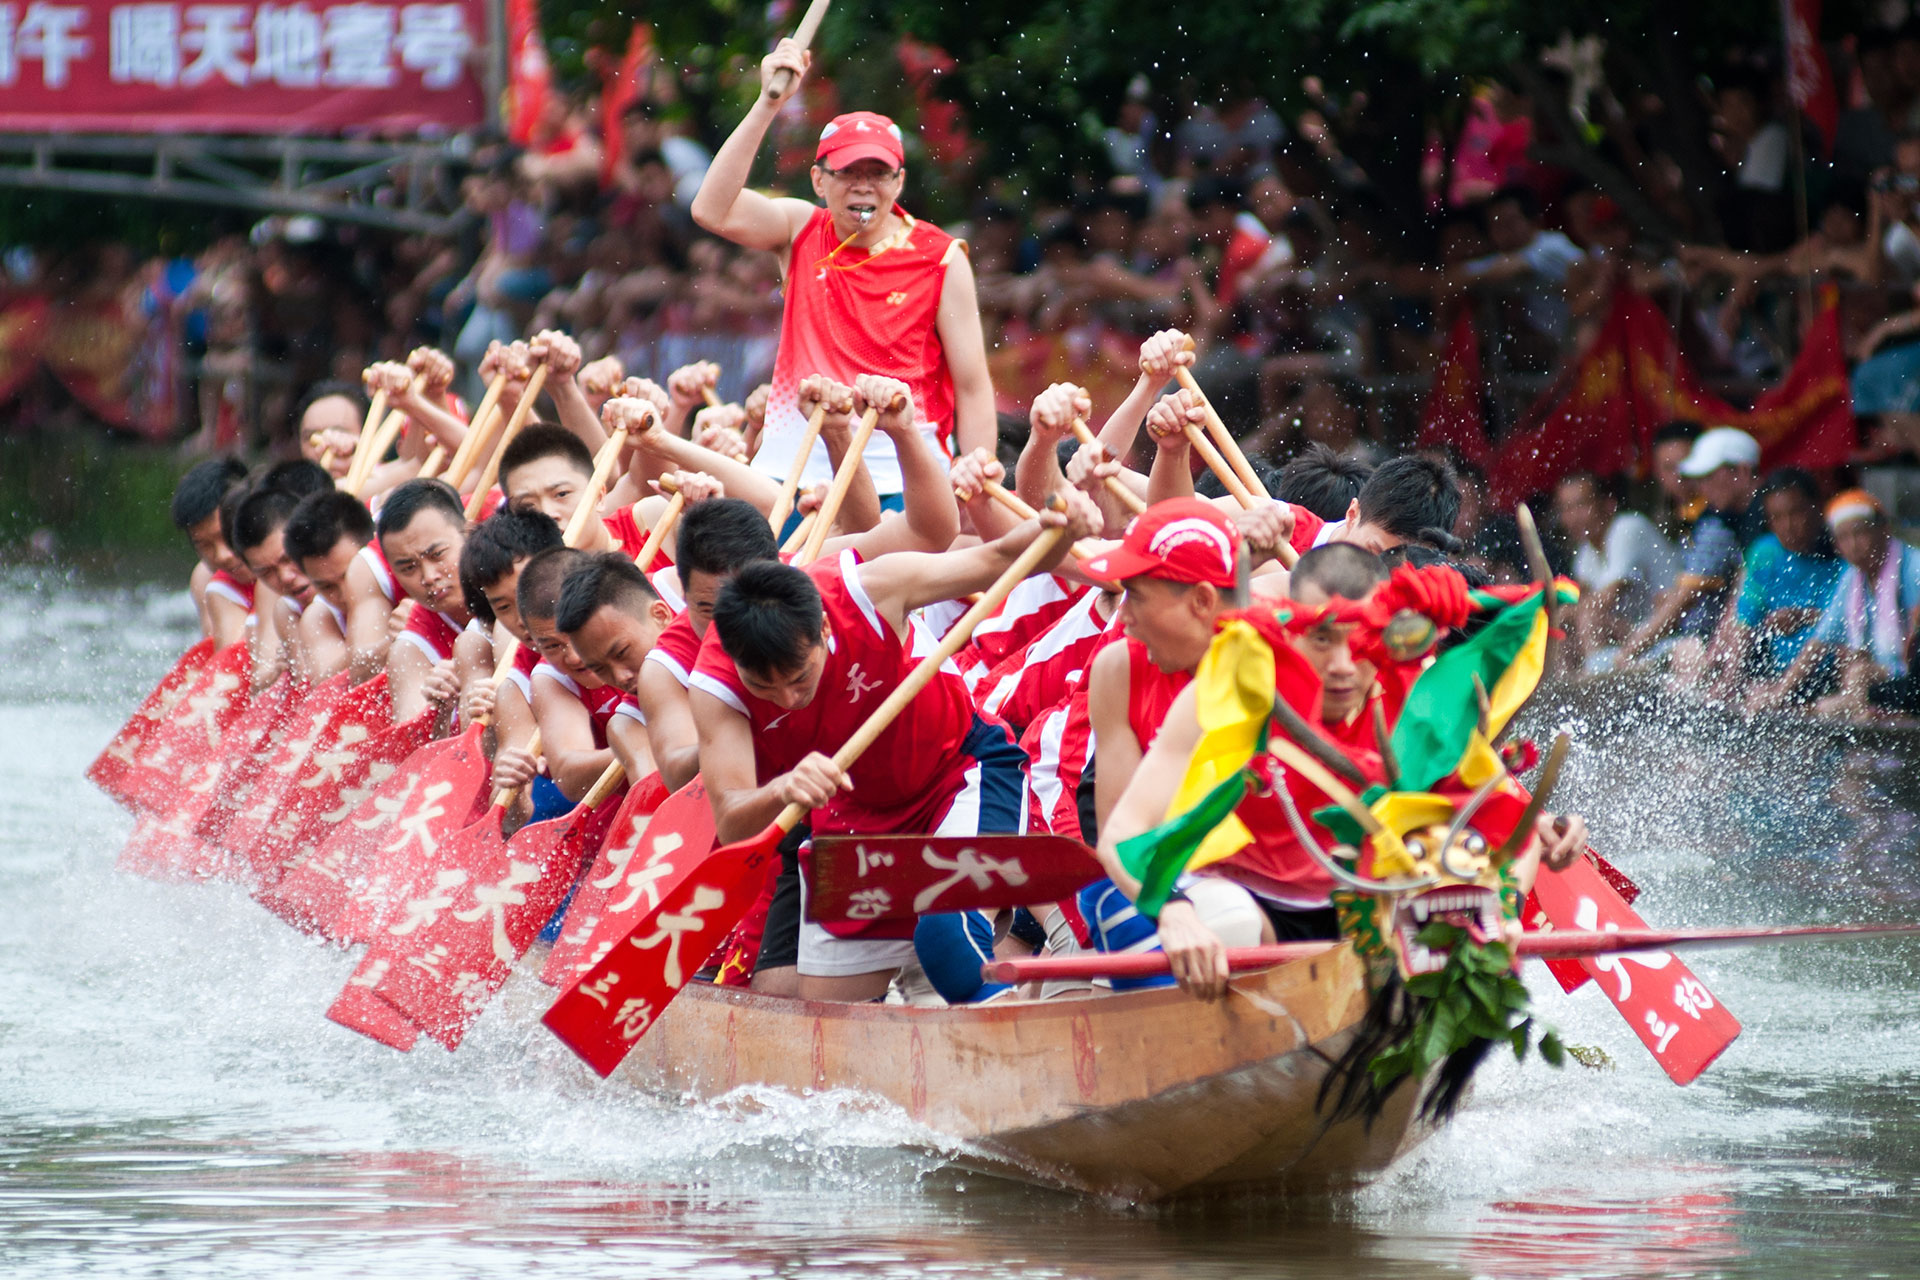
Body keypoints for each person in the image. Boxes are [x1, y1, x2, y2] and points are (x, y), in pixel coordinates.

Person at [688, 491, 1100, 1004]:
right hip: (852, 813)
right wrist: (780, 790)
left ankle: (1008, 1036)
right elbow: (731, 819)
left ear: (821, 629)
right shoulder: (715, 688)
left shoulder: (869, 590)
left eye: (799, 678)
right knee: (824, 1020)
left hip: (959, 773)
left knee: (947, 938)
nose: (788, 700)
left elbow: (994, 558)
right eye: (764, 688)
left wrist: (1057, 524)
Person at [691, 39, 995, 509]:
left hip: (903, 478)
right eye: (849, 172)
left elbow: (973, 386)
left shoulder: (942, 256)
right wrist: (768, 103)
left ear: (899, 182)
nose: (863, 186)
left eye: (878, 173)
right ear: (819, 181)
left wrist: (978, 484)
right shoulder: (800, 229)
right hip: (792, 472)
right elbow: (711, 209)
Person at [1748, 491, 1920, 719]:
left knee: (1857, 675)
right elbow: (1819, 643)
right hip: (1885, 676)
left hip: (1910, 678)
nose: (1854, 544)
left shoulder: (1912, 565)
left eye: (1860, 533)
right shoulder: (1852, 577)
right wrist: (1779, 693)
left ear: (1883, 529)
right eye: (1844, 537)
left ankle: (1870, 738)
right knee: (1827, 706)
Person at [1617, 427, 1765, 674]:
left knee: (1684, 654)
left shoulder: (1745, 519)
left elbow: (1687, 599)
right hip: (1723, 638)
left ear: (1741, 471)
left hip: (1741, 643)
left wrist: (1630, 652)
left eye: (1708, 476)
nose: (1700, 486)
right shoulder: (1724, 516)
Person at [1715, 470, 1844, 699]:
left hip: (1834, 672)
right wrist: (1729, 681)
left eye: (1796, 513)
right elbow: (1745, 621)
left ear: (1817, 508)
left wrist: (1804, 617)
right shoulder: (1766, 553)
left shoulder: (1843, 552)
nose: (1789, 525)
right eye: (1777, 517)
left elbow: (1854, 620)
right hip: (1780, 670)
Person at [1553, 471, 1678, 672]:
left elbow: (1604, 600)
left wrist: (1567, 613)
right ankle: (1568, 687)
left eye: (1581, 505)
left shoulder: (1627, 528)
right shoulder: (1585, 553)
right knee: (1563, 624)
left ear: (1608, 505)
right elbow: (1576, 602)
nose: (1573, 517)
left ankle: (1596, 684)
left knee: (1588, 616)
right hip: (1634, 635)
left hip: (1668, 633)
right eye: (1566, 509)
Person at [375, 479, 473, 727]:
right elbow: (416, 754)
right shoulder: (410, 649)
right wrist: (440, 712)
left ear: (470, 534)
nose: (429, 577)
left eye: (437, 555)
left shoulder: (517, 586)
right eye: (409, 567)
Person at [282, 490, 398, 684]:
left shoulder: (407, 570)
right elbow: (326, 686)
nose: (345, 593)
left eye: (350, 574)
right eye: (327, 587)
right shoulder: (319, 617)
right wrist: (399, 638)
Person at [170, 457, 252, 647]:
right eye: (204, 545)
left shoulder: (292, 555)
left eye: (228, 534)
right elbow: (223, 658)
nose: (223, 555)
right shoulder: (205, 579)